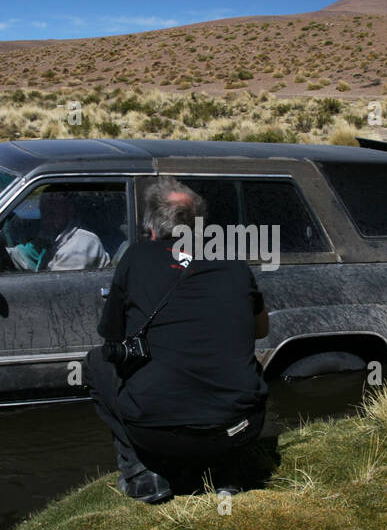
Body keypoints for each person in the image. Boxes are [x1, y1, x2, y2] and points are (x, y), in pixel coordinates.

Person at [86, 177, 269, 503]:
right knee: (244, 365)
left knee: (96, 363)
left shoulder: (135, 258)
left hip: (158, 435)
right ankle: (229, 469)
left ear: (151, 227)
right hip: (239, 428)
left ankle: (143, 474)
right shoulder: (234, 261)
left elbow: (112, 337)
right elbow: (260, 330)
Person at [9, 188, 110, 271]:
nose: (46, 220)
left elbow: (55, 288)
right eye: (43, 213)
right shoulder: (55, 237)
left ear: (69, 211)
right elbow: (29, 254)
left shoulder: (80, 245)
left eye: (52, 213)